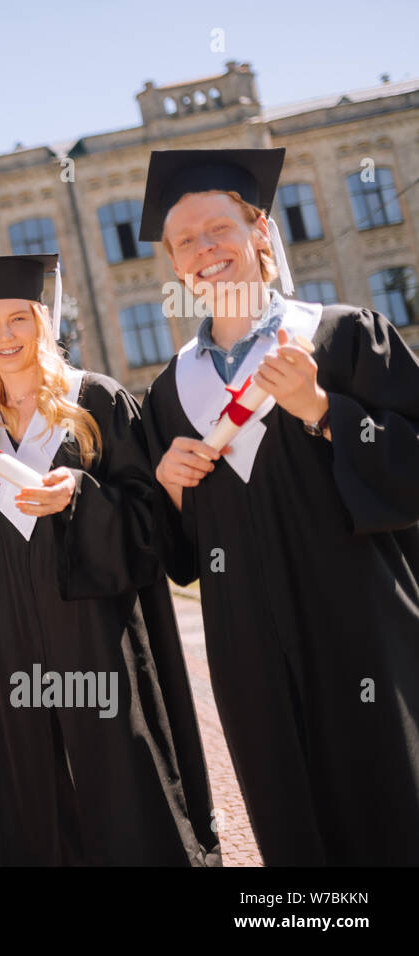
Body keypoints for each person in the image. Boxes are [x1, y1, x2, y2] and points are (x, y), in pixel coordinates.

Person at [139, 147, 419, 865]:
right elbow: (177, 557)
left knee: (390, 796)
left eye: (219, 229)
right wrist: (168, 485)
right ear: (174, 265)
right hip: (248, 647)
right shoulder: (173, 394)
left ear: (260, 228)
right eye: (186, 242)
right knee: (288, 814)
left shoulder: (344, 335)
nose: (206, 250)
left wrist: (324, 410)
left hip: (363, 625)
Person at [0, 254, 219, 865]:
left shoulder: (95, 401)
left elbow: (151, 518)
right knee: (38, 783)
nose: (4, 336)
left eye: (18, 319)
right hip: (17, 641)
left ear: (43, 322)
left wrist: (77, 497)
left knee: (118, 767)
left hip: (97, 631)